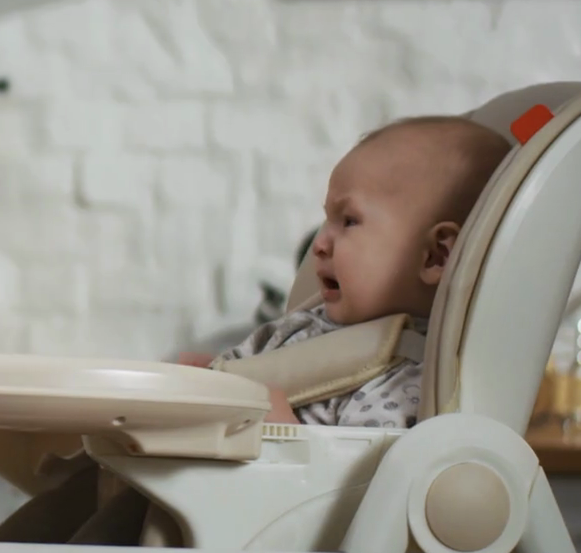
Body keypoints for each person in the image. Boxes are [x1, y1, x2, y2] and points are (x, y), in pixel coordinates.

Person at [183, 115, 511, 427]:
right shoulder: (303, 327)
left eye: (349, 221)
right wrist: (207, 376)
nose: (319, 245)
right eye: (328, 219)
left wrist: (283, 434)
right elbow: (238, 373)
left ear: (435, 257)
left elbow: (367, 477)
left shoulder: (410, 380)